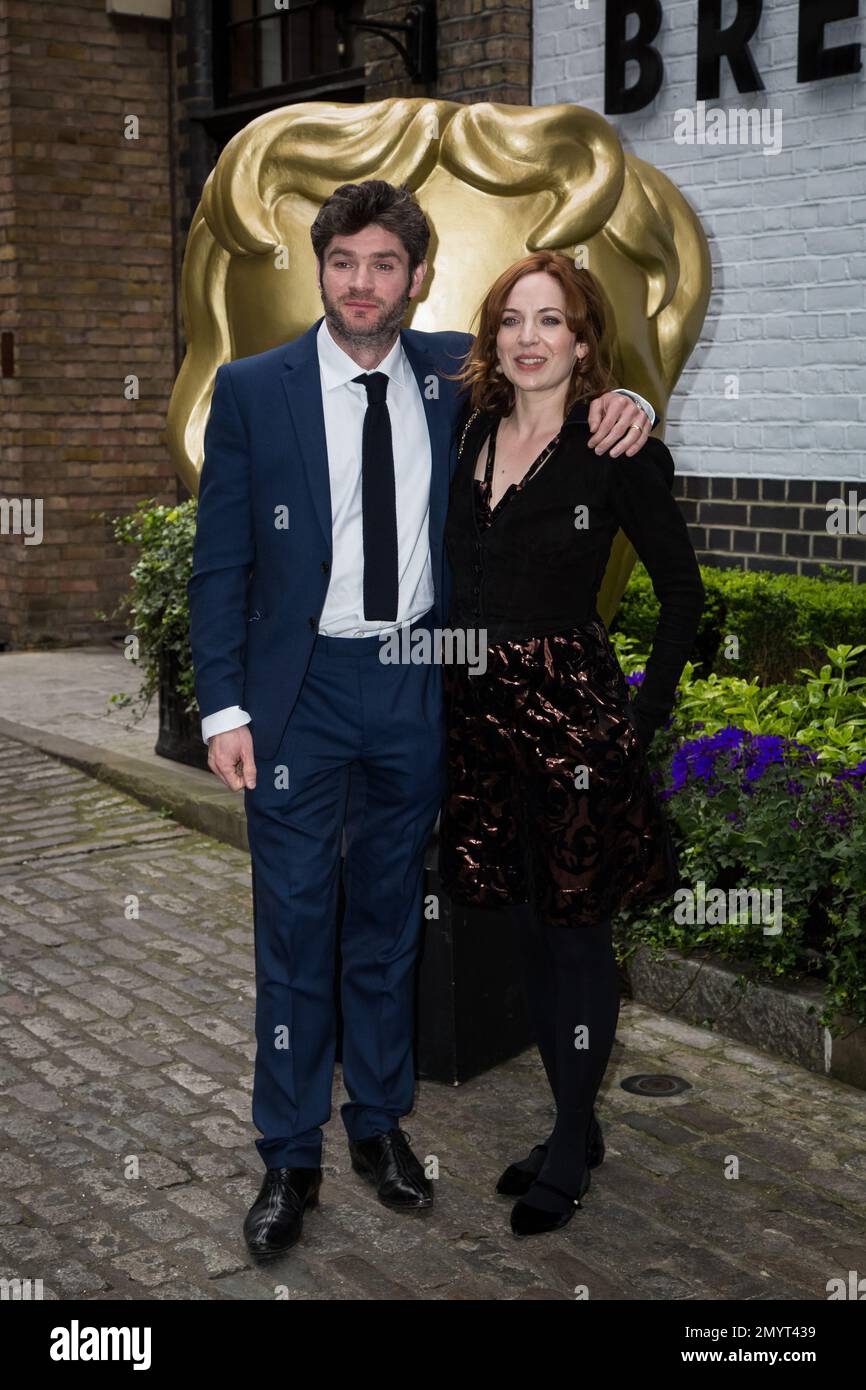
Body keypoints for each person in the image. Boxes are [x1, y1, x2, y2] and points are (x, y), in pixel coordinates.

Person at [187, 180, 657, 1260]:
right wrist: (223, 704)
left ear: (415, 276)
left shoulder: (457, 373)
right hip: (296, 696)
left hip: (416, 683)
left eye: (383, 265)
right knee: (295, 925)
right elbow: (220, 565)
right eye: (343, 262)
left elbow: (555, 381)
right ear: (320, 269)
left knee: (392, 923)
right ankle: (289, 1149)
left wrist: (621, 402)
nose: (361, 283)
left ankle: (377, 1123)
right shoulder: (253, 388)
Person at [438, 250, 706, 1237]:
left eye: (550, 321)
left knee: (573, 934)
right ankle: (573, 1121)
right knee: (521, 929)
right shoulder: (468, 428)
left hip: (571, 729)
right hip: (476, 725)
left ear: (583, 340)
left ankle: (566, 1139)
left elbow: (682, 594)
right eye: (512, 319)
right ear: (491, 336)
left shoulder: (614, 447)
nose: (528, 338)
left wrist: (637, 722)